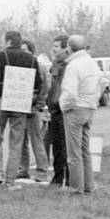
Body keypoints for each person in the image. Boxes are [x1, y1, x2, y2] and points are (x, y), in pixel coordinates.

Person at [0, 31, 44, 189]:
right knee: (16, 142)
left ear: (8, 41)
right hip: (21, 102)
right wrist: (31, 99)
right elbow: (38, 83)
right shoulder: (31, 59)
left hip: (2, 99)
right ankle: (11, 181)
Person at [60, 34, 102, 195]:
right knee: (85, 150)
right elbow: (99, 87)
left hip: (75, 109)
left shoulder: (73, 66)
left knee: (74, 152)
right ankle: (88, 185)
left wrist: (65, 106)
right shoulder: (93, 64)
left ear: (69, 48)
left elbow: (70, 93)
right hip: (89, 108)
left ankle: (76, 187)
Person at [16, 39, 51, 181]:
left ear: (31, 51)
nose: (22, 53)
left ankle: (42, 171)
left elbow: (46, 86)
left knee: (36, 140)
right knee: (20, 140)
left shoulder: (40, 66)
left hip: (33, 108)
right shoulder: (17, 66)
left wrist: (40, 104)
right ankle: (22, 169)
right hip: (19, 108)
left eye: (25, 50)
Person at [45, 36, 69, 187]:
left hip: (64, 110)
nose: (54, 49)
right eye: (53, 46)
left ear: (65, 49)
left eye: (57, 46)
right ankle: (57, 176)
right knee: (56, 146)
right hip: (53, 110)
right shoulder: (54, 64)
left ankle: (70, 177)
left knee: (65, 145)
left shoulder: (69, 65)